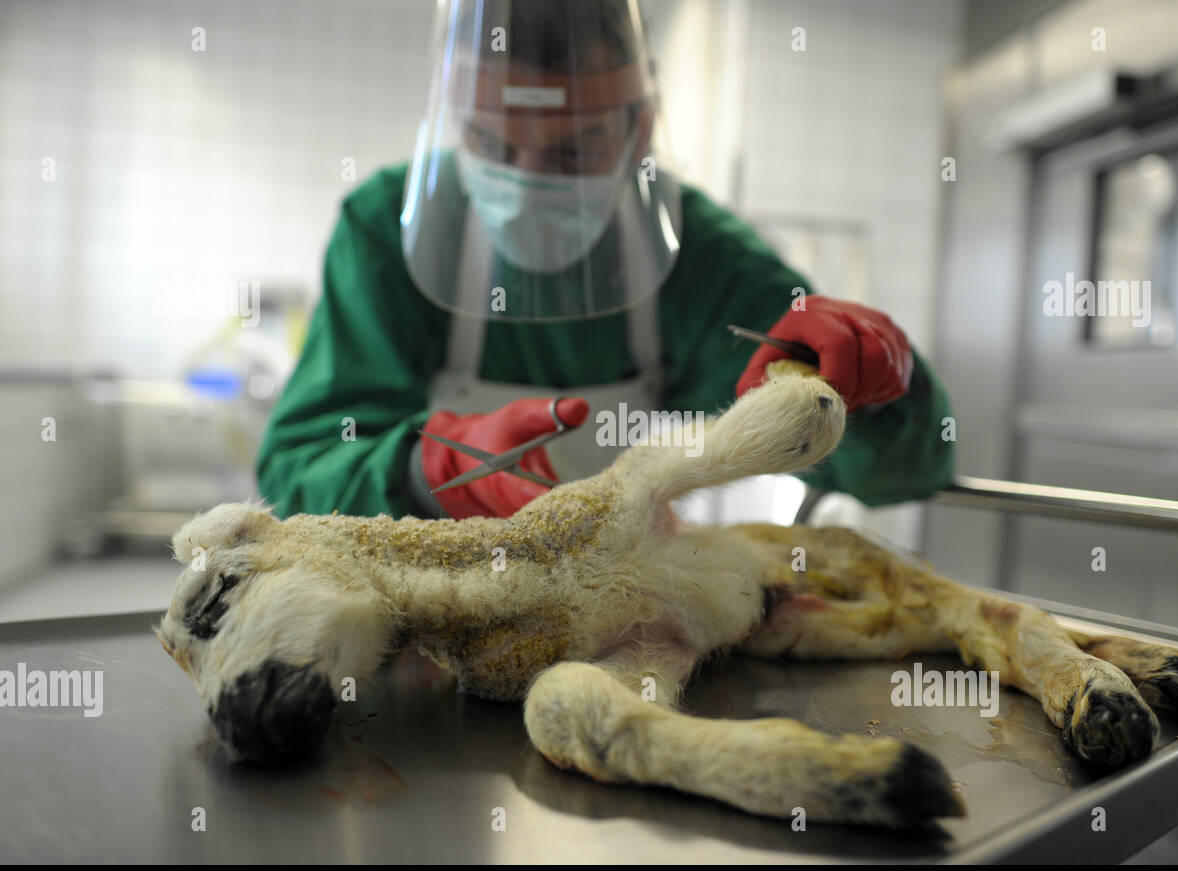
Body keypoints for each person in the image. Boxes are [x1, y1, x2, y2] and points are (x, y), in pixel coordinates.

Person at [256, 0, 954, 522]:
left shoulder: (703, 263)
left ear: (638, 132)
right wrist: (425, 468)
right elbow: (298, 471)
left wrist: (873, 388)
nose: (525, 185)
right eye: (492, 146)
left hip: (609, 623)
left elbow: (900, 473)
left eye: (571, 151)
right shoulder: (386, 230)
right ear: (457, 117)